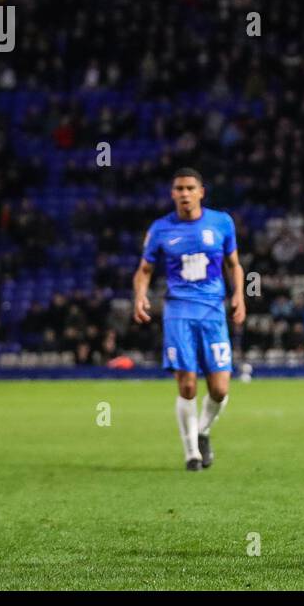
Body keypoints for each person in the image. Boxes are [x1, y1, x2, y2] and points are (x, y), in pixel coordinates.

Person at [133, 168, 246, 472]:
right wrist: (140, 296)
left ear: (201, 192)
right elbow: (144, 270)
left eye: (189, 188)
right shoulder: (160, 229)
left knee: (220, 389)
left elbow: (234, 265)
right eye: (179, 188)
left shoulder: (221, 222)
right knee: (187, 386)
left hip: (212, 312)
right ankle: (192, 453)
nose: (184, 193)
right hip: (178, 312)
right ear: (172, 194)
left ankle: (202, 430)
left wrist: (239, 295)